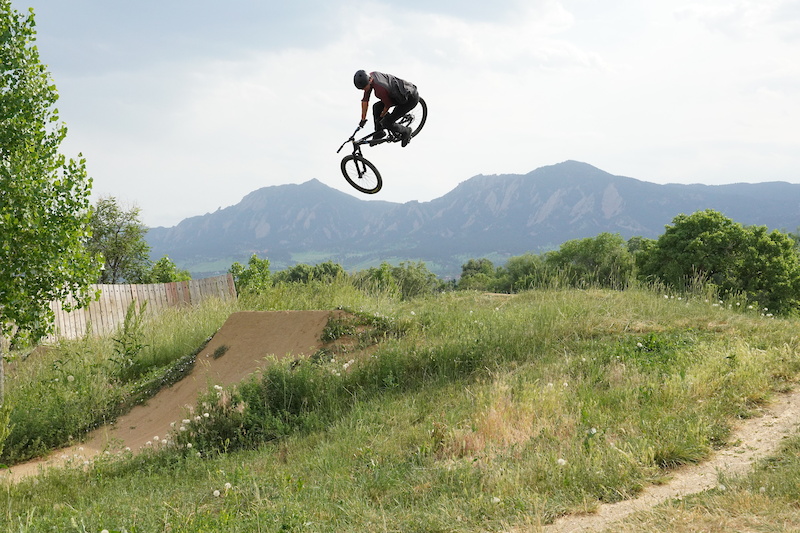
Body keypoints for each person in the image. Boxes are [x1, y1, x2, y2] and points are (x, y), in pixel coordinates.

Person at [354, 69, 419, 147]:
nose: (364, 90)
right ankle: (379, 132)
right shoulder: (370, 78)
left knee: (387, 122)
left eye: (364, 88)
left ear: (370, 80)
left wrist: (381, 117)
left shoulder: (380, 89)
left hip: (410, 99)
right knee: (376, 107)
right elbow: (365, 101)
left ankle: (406, 131)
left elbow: (387, 105)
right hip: (396, 95)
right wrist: (363, 119)